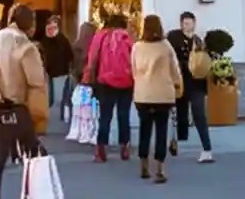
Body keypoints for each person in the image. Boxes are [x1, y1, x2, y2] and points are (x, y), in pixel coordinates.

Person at [0, 4, 47, 199]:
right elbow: (36, 81)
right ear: (28, 23)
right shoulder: (24, 44)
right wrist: (39, 117)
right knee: (36, 152)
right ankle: (39, 193)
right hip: (16, 106)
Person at [131, 14, 182, 184]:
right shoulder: (165, 46)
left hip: (143, 94)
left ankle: (143, 165)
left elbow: (134, 70)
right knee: (161, 130)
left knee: (144, 129)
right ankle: (160, 168)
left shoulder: (137, 47)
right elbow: (174, 70)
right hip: (163, 94)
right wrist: (177, 84)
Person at [84, 13, 134, 162]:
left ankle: (101, 148)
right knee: (123, 115)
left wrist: (87, 77)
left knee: (105, 116)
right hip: (126, 81)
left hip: (105, 80)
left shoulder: (101, 36)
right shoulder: (128, 37)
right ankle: (124, 146)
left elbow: (92, 58)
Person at [167, 11, 214, 163]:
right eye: (184, 23)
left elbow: (204, 59)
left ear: (194, 23)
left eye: (189, 23)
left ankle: (207, 148)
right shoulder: (173, 37)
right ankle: (179, 142)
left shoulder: (198, 40)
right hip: (181, 81)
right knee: (180, 114)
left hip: (196, 83)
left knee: (199, 113)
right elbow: (170, 57)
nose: (187, 26)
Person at [37, 14, 74, 125]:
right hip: (47, 74)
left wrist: (56, 37)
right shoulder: (43, 41)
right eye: (49, 25)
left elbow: (69, 55)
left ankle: (59, 122)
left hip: (60, 74)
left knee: (59, 100)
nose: (51, 28)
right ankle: (53, 122)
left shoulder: (62, 39)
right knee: (50, 100)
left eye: (54, 26)